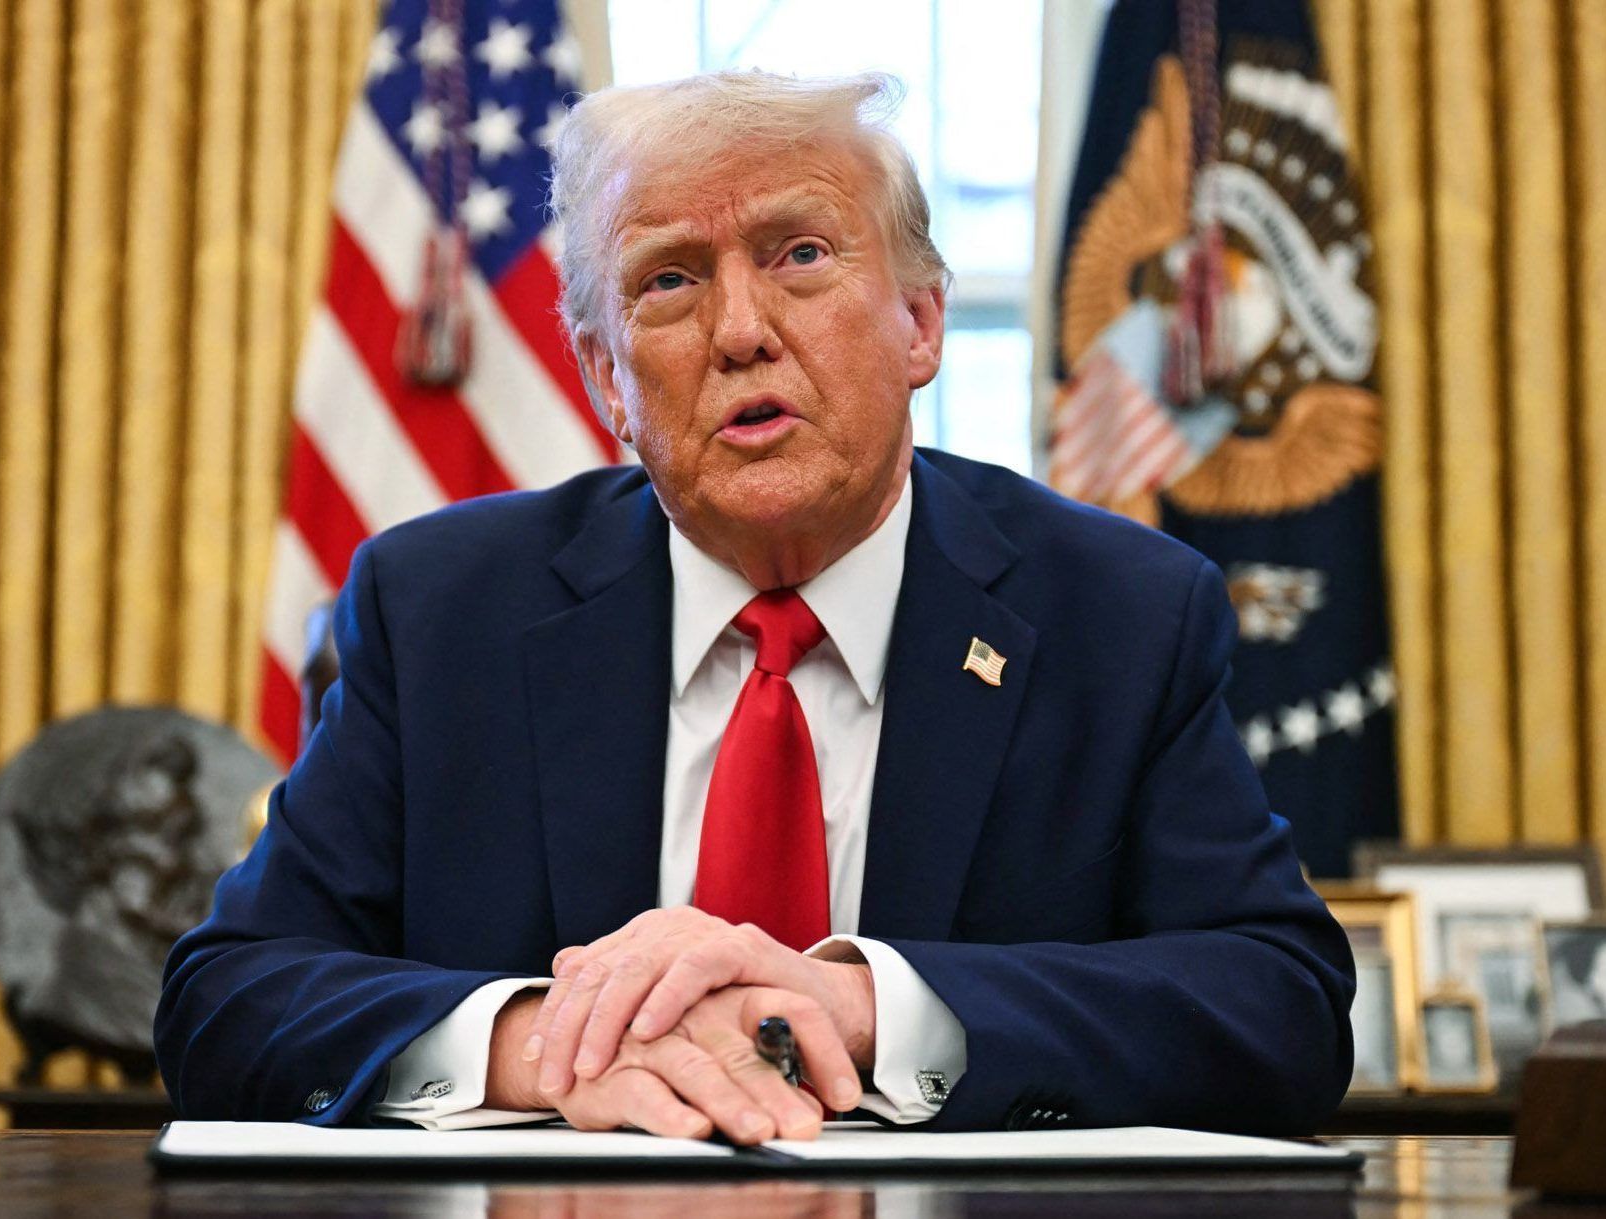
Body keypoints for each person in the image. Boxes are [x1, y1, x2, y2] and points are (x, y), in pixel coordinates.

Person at [155, 71, 1354, 1141]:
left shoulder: (1119, 613)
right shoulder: (440, 611)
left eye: (800, 256)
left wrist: (852, 1005)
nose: (739, 332)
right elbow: (229, 995)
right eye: (669, 281)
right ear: (607, 378)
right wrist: (549, 1045)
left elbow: (1277, 1003)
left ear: (921, 322)